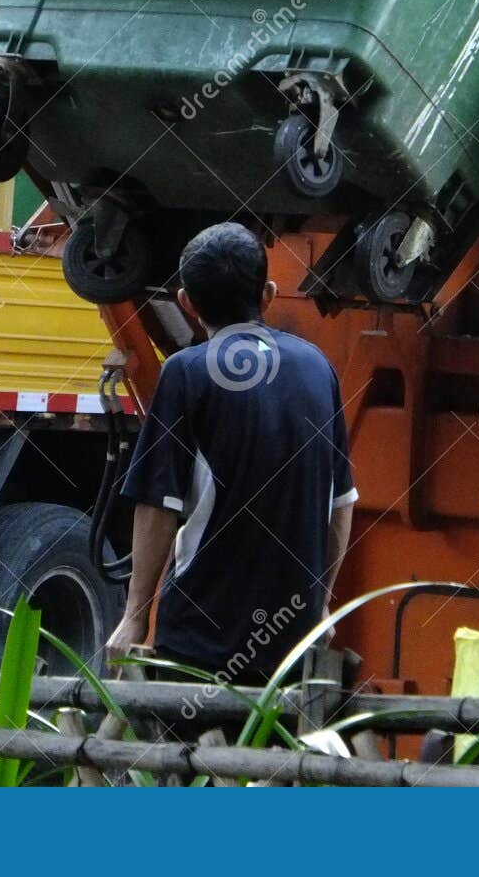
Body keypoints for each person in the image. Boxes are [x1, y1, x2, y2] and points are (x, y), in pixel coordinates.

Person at [105, 222, 356, 686]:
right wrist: (320, 600)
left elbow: (158, 504)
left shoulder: (186, 373)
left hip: (199, 648)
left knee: (197, 759)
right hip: (292, 652)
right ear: (268, 294)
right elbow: (341, 504)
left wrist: (135, 617)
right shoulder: (318, 369)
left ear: (186, 302)